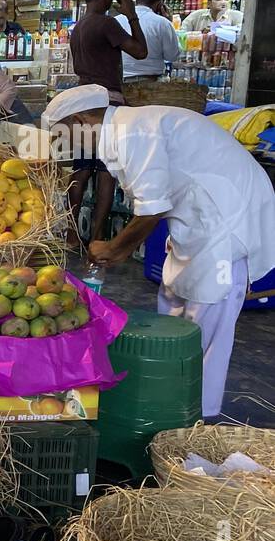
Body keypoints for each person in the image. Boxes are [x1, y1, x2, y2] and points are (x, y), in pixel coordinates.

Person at [42, 85, 275, 418]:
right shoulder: (124, 130)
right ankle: (166, 396)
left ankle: (194, 417)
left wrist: (116, 247)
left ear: (79, 120)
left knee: (207, 320)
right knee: (174, 306)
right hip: (197, 217)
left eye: (58, 132)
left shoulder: (132, 133)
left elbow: (152, 208)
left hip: (227, 217)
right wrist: (117, 247)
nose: (57, 141)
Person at [66, 0, 148, 248]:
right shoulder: (107, 24)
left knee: (81, 168)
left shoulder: (79, 27)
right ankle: (97, 235)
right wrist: (132, 15)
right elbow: (140, 51)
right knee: (105, 171)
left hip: (82, 101)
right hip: (106, 104)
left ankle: (71, 233)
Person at [116, 0, 181, 81]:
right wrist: (170, 24)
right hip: (150, 83)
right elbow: (172, 56)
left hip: (120, 80)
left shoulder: (116, 20)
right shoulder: (162, 23)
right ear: (160, 3)